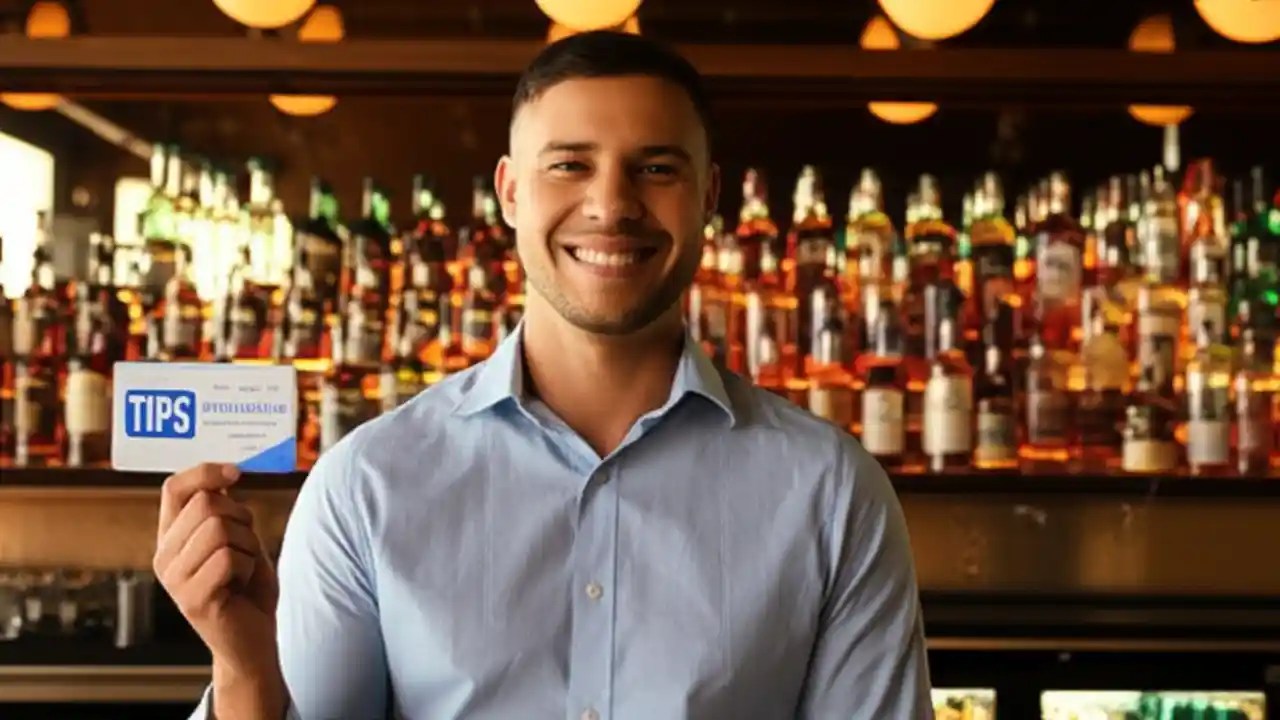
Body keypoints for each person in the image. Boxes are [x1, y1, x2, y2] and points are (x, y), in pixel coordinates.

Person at [154, 30, 932, 720]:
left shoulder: (830, 491)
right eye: (569, 165)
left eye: (655, 168)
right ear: (510, 193)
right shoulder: (366, 483)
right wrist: (245, 670)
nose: (611, 204)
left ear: (709, 199)